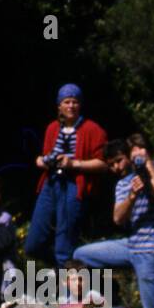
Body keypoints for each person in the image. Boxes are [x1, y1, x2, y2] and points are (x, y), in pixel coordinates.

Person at [73, 134, 154, 308]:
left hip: (152, 249)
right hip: (131, 245)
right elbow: (118, 218)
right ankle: (105, 304)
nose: (116, 167)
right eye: (111, 165)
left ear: (130, 156)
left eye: (119, 160)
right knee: (81, 256)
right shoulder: (123, 184)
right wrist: (131, 196)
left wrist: (147, 164)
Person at [26, 84, 107, 266]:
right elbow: (47, 155)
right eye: (66, 102)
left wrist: (74, 164)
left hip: (74, 186)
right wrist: (41, 161)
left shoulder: (92, 129)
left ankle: (68, 289)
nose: (71, 106)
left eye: (75, 102)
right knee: (33, 244)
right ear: (59, 106)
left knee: (64, 245)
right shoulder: (52, 128)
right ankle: (59, 267)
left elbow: (103, 164)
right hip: (51, 182)